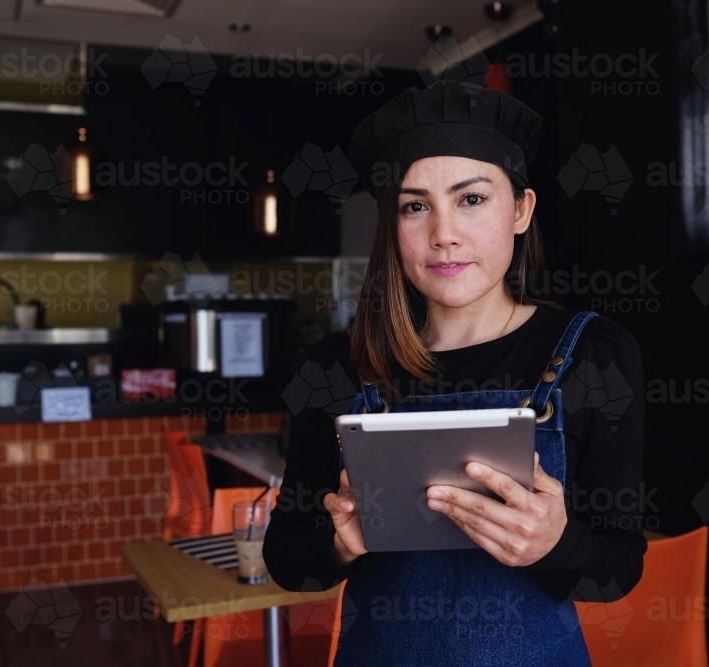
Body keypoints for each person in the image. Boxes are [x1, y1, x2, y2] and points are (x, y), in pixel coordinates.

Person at [263, 80, 646, 666]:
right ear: (392, 225)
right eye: (415, 206)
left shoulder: (592, 356)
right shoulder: (334, 370)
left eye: (471, 199)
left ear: (521, 210)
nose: (443, 233)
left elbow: (618, 567)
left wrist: (555, 545)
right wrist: (342, 544)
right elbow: (289, 561)